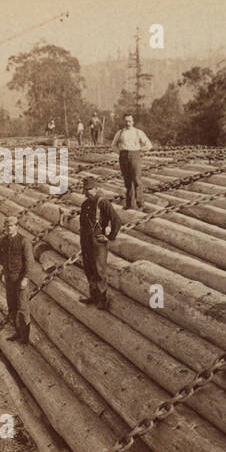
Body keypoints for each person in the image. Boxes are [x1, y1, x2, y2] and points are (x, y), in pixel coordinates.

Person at [78, 176, 123, 310]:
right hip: (85, 240)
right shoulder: (85, 204)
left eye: (90, 189)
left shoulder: (103, 203)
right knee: (89, 269)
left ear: (96, 188)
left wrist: (110, 236)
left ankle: (103, 299)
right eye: (86, 190)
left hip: (98, 241)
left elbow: (117, 220)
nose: (87, 192)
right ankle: (94, 296)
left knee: (99, 270)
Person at [0, 215, 38, 342]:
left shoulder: (24, 241)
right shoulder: (3, 241)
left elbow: (30, 262)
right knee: (12, 306)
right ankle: (17, 332)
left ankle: (25, 337)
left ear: (16, 227)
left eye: (11, 226)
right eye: (6, 226)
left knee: (23, 307)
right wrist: (7, 266)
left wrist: (26, 278)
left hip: (20, 278)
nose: (8, 228)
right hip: (9, 277)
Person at [110, 114, 154, 209]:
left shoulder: (138, 132)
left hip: (135, 155)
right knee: (127, 181)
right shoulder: (120, 132)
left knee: (137, 179)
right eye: (126, 121)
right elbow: (113, 145)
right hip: (123, 156)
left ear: (133, 122)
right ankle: (130, 204)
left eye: (130, 121)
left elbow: (149, 145)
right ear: (124, 121)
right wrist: (120, 153)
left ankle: (140, 203)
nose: (128, 123)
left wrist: (139, 150)